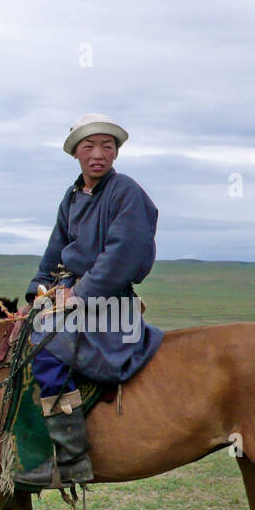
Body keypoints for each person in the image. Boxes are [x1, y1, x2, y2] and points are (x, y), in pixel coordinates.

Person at [14, 113, 164, 489]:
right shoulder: (71, 197)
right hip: (67, 296)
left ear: (116, 153)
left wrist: (77, 295)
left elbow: (123, 255)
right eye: (89, 146)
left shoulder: (126, 192)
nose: (98, 154)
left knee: (48, 351)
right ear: (76, 153)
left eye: (107, 146)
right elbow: (53, 255)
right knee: (14, 341)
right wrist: (36, 295)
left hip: (108, 303)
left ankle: (71, 458)